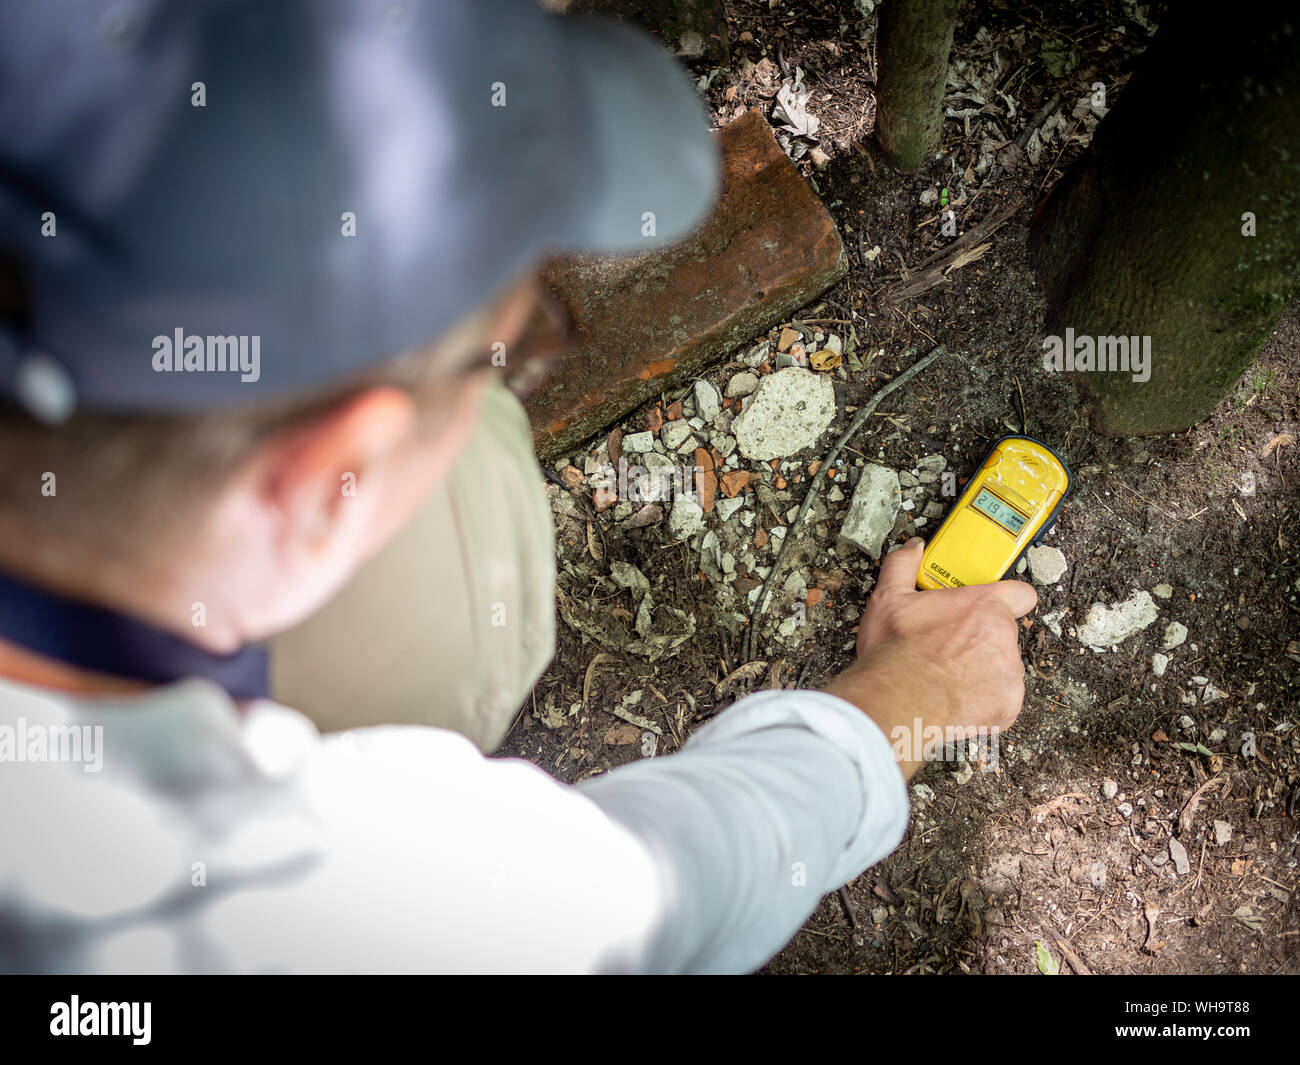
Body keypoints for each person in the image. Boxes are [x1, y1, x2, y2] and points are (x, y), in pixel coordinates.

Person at [0, 0, 1036, 973]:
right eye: (520, 344)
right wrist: (921, 693)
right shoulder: (314, 913)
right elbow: (656, 887)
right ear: (328, 488)